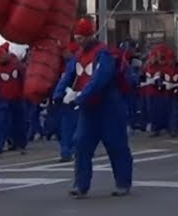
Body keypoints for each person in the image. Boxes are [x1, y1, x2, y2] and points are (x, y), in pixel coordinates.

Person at [54, 18, 133, 198]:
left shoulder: (104, 54)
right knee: (81, 145)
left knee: (116, 145)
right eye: (76, 38)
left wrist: (80, 97)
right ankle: (80, 185)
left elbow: (99, 79)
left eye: (81, 38)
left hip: (109, 108)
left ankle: (123, 182)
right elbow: (68, 75)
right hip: (88, 109)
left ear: (90, 36)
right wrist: (58, 95)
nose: (79, 42)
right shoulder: (79, 55)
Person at [0, 45, 28, 153]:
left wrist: (24, 93)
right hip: (2, 100)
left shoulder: (16, 65)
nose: (4, 57)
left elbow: (23, 78)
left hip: (17, 98)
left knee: (19, 122)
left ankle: (20, 143)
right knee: (1, 123)